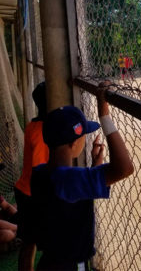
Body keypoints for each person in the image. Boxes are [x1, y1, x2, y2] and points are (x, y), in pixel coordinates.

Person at [30, 82, 134, 271]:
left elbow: (70, 198)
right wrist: (105, 116)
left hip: (48, 263)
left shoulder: (40, 174)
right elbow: (124, 168)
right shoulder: (69, 180)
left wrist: (95, 166)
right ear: (74, 143)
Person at [14, 82, 49, 271]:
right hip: (32, 193)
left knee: (30, 242)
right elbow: (38, 169)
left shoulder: (33, 125)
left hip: (27, 190)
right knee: (31, 243)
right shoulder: (42, 131)